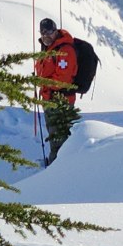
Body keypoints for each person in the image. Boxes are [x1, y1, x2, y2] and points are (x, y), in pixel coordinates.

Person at [34, 17, 81, 166]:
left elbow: (63, 79)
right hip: (50, 99)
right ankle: (56, 165)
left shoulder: (64, 50)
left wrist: (44, 83)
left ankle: (58, 168)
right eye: (43, 32)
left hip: (61, 101)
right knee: (54, 134)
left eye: (49, 32)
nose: (46, 35)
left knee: (60, 136)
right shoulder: (48, 48)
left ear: (55, 31)